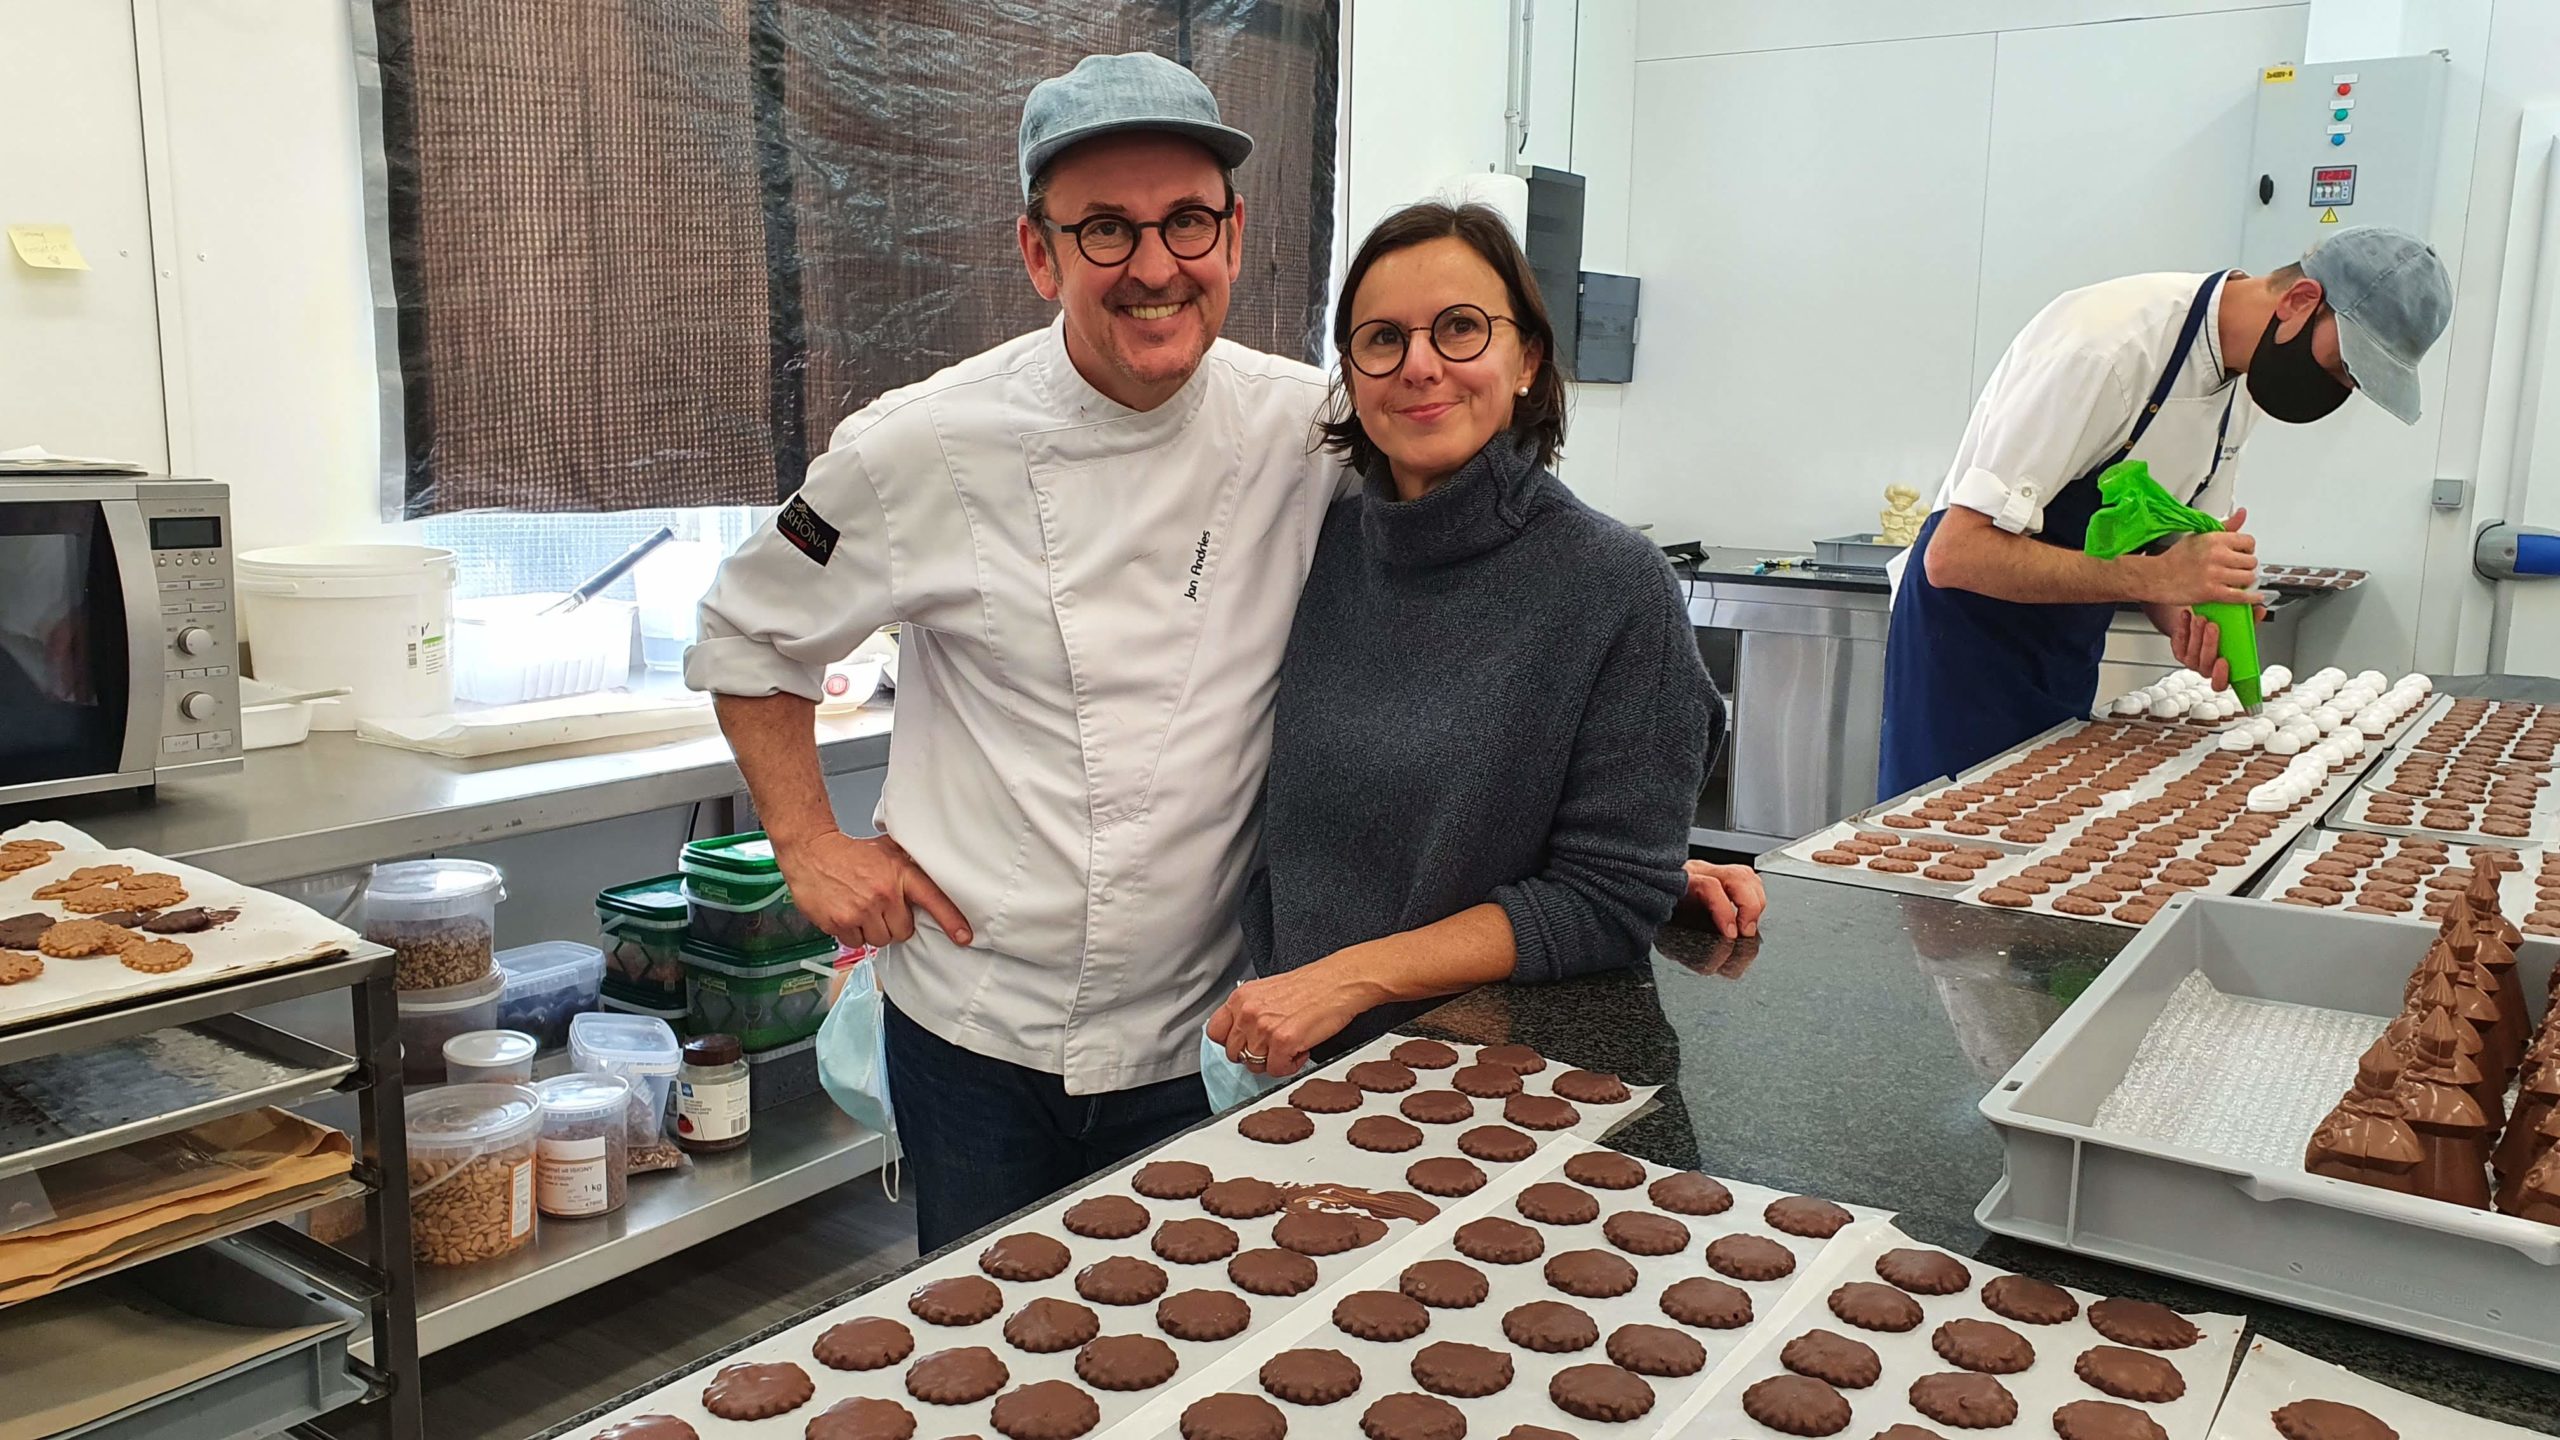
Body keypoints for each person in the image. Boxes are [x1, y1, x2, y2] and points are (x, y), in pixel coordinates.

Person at [686, 53, 1346, 1250]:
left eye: (1186, 221)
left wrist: (1608, 855)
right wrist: (806, 845)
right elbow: (748, 633)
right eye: (1105, 229)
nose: (1154, 267)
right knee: (979, 1366)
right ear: (1039, 253)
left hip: (1208, 1028)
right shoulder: (918, 448)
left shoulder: (1307, 429)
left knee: (1191, 1361)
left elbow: (1466, 606)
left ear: (1236, 236)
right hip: (975, 1032)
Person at [1204, 202, 1754, 1078]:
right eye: (1382, 339)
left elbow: (1605, 898)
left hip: (1505, 1088)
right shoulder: (1325, 549)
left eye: (1460, 328)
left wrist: (1349, 980)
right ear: (1351, 373)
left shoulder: (1614, 585)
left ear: (1528, 359)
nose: (1420, 365)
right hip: (1299, 1059)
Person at [1877, 226, 2453, 799]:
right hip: (1958, 656)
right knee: (1941, 858)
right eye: (2343, 364)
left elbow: (2161, 546)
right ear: (2301, 302)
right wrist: (2159, 578)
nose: (2340, 386)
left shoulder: (2244, 383)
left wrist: (2188, 612)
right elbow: (1955, 555)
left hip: (2063, 646)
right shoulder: (2104, 347)